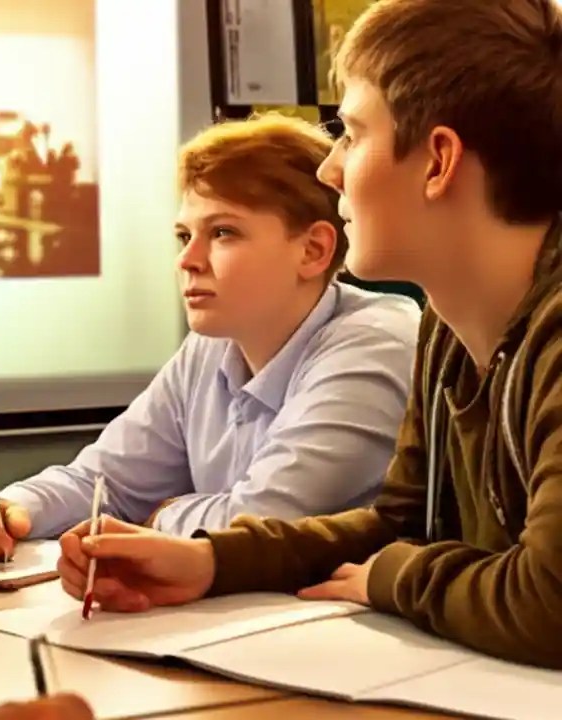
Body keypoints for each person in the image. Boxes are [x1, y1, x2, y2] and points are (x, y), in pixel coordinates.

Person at [54, 0, 562, 670]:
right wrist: (211, 561)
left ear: (438, 161)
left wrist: (393, 576)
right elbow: (398, 523)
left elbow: (550, 603)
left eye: (351, 134)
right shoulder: (447, 330)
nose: (330, 170)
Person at [0, 113, 420, 560]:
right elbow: (103, 484)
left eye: (223, 232)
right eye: (183, 236)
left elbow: (260, 523)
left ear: (313, 250)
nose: (188, 260)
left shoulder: (376, 340)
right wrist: (12, 509)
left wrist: (162, 514)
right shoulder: (212, 345)